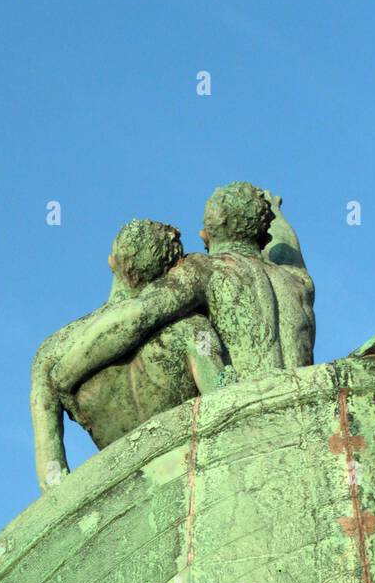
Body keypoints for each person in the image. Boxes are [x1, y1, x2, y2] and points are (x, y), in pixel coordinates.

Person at [31, 183, 316, 487]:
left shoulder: (204, 269)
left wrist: (64, 373)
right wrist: (275, 212)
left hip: (248, 409)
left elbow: (138, 316)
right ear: (264, 234)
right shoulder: (297, 281)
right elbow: (288, 248)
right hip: (302, 407)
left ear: (206, 235)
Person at [31, 219, 226, 490]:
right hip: (196, 475)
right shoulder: (193, 329)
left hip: (125, 487)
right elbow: (224, 402)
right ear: (170, 270)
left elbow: (51, 476)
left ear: (112, 261)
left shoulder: (51, 352)